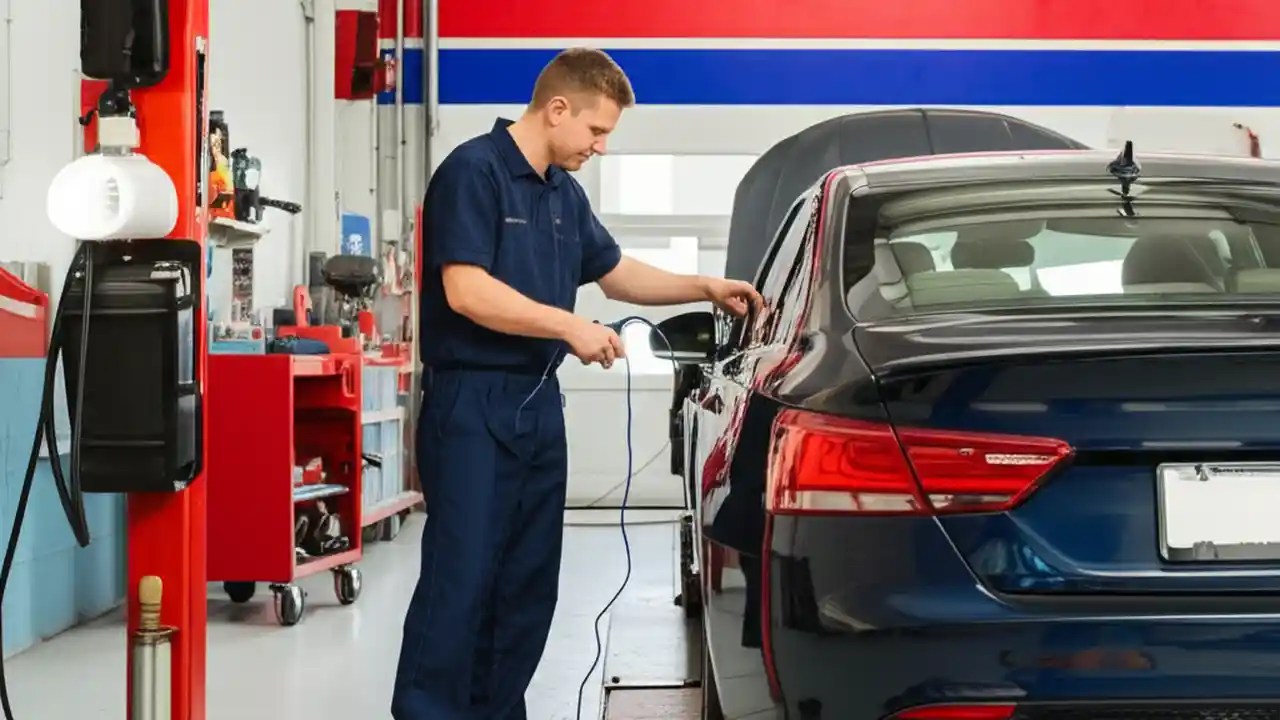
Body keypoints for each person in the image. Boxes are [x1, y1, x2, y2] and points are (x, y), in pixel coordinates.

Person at [391, 47, 763, 720]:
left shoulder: (562, 193)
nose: (601, 148)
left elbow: (614, 271)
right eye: (597, 132)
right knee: (462, 579)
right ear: (557, 109)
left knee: (527, 584)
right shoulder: (474, 172)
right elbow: (466, 290)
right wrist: (568, 326)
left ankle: (496, 712)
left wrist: (703, 284)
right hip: (472, 405)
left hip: (537, 407)